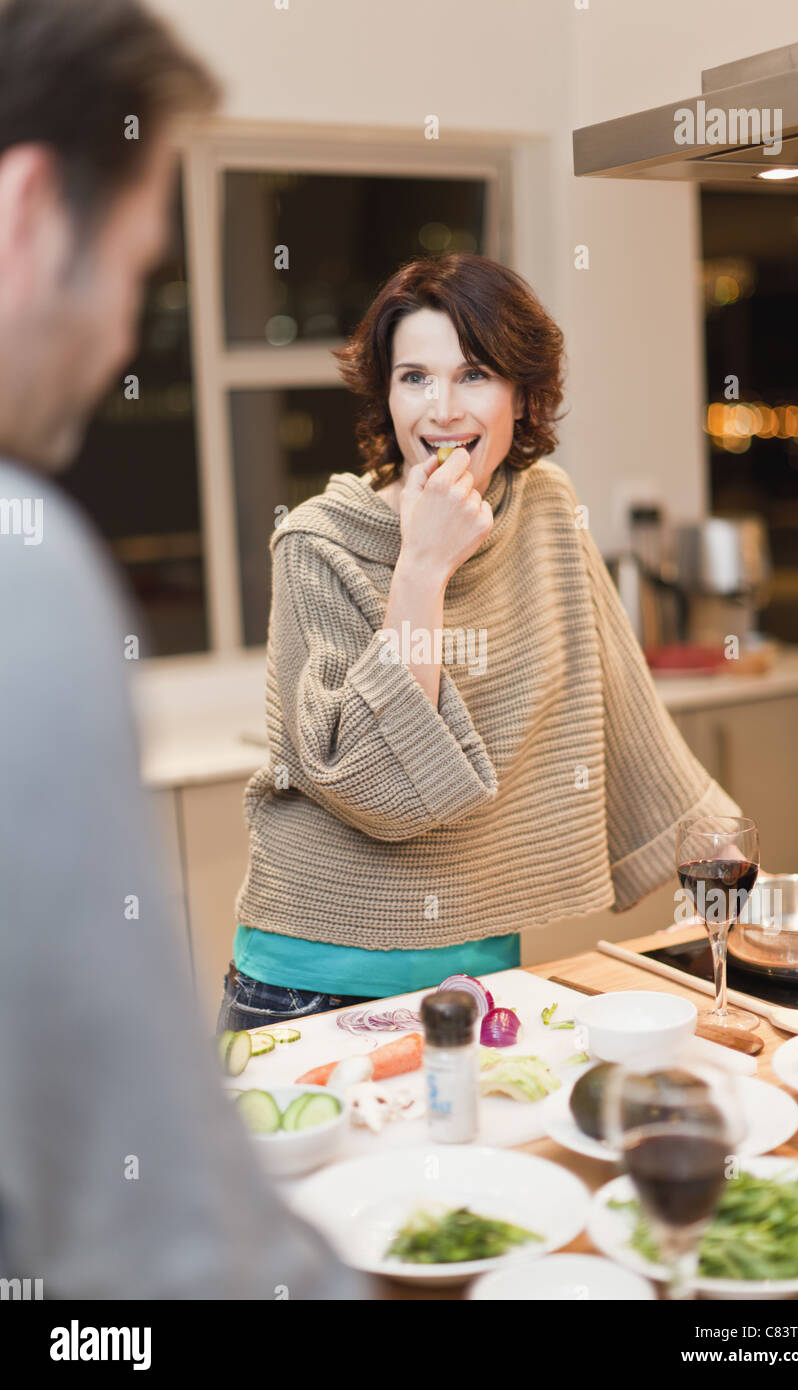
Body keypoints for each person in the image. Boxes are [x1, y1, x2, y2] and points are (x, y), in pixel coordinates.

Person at [0, 0, 366, 1300]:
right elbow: (154, 1227)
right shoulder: (20, 562)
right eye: (141, 273)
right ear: (32, 212)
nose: (116, 344)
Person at [221, 253, 743, 1031]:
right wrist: (423, 566)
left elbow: (623, 706)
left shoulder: (546, 510)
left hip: (483, 974)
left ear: (525, 397)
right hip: (306, 985)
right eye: (413, 378)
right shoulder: (315, 544)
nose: (441, 409)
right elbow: (376, 789)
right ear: (385, 393)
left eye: (473, 375)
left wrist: (735, 868)